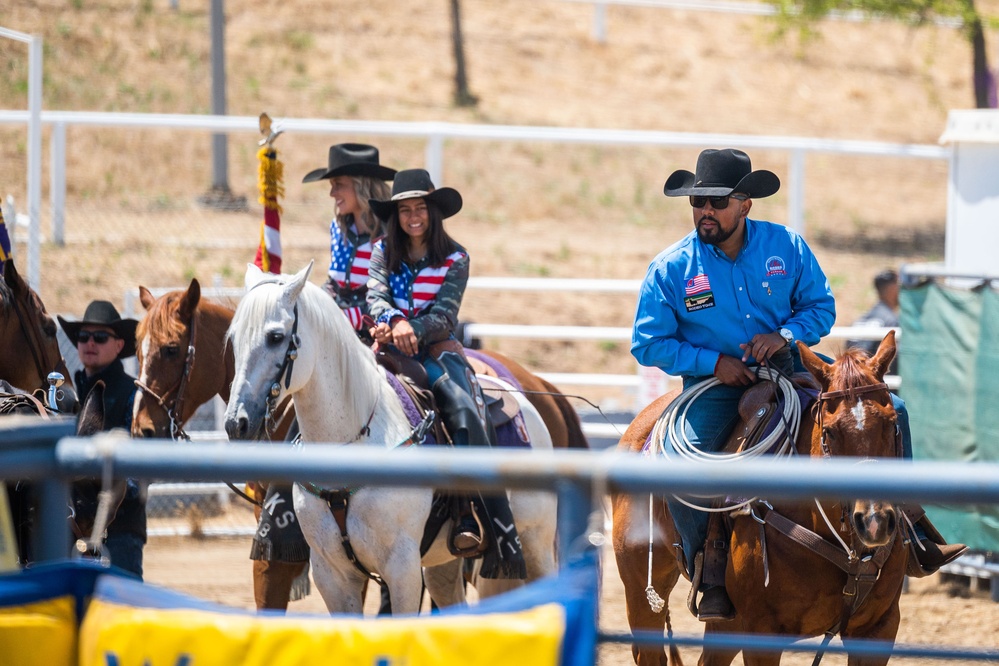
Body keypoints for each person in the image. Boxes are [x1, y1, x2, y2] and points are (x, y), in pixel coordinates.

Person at [631, 149, 964, 623]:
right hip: (715, 382)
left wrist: (784, 335)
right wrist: (713, 361)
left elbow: (820, 310)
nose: (704, 211)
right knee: (683, 460)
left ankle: (910, 528)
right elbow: (648, 344)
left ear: (745, 203)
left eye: (716, 201)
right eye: (698, 202)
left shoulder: (785, 246)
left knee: (895, 410)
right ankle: (709, 569)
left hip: (793, 364)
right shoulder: (672, 268)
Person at [365, 168, 525, 577]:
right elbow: (375, 295)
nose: (413, 216)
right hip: (388, 350)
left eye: (420, 208)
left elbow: (444, 316)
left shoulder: (457, 257)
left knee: (463, 410)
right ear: (396, 215)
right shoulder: (382, 250)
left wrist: (407, 328)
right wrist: (389, 321)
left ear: (433, 213)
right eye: (405, 210)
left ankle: (488, 522)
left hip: (437, 352)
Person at [57, 300, 146, 579]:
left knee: (120, 612)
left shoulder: (134, 393)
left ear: (119, 345)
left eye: (100, 337)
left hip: (119, 530)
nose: (89, 343)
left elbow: (138, 467)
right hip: (70, 528)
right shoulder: (68, 393)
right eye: (83, 337)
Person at [303, 142, 396, 338]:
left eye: (339, 185)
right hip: (336, 326)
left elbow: (394, 296)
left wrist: (341, 318)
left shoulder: (391, 234)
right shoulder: (338, 228)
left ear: (361, 185)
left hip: (376, 330)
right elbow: (334, 284)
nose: (332, 193)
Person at [847, 269, 900, 373]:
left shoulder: (860, 320)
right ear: (892, 289)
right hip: (882, 382)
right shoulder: (892, 321)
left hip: (855, 380)